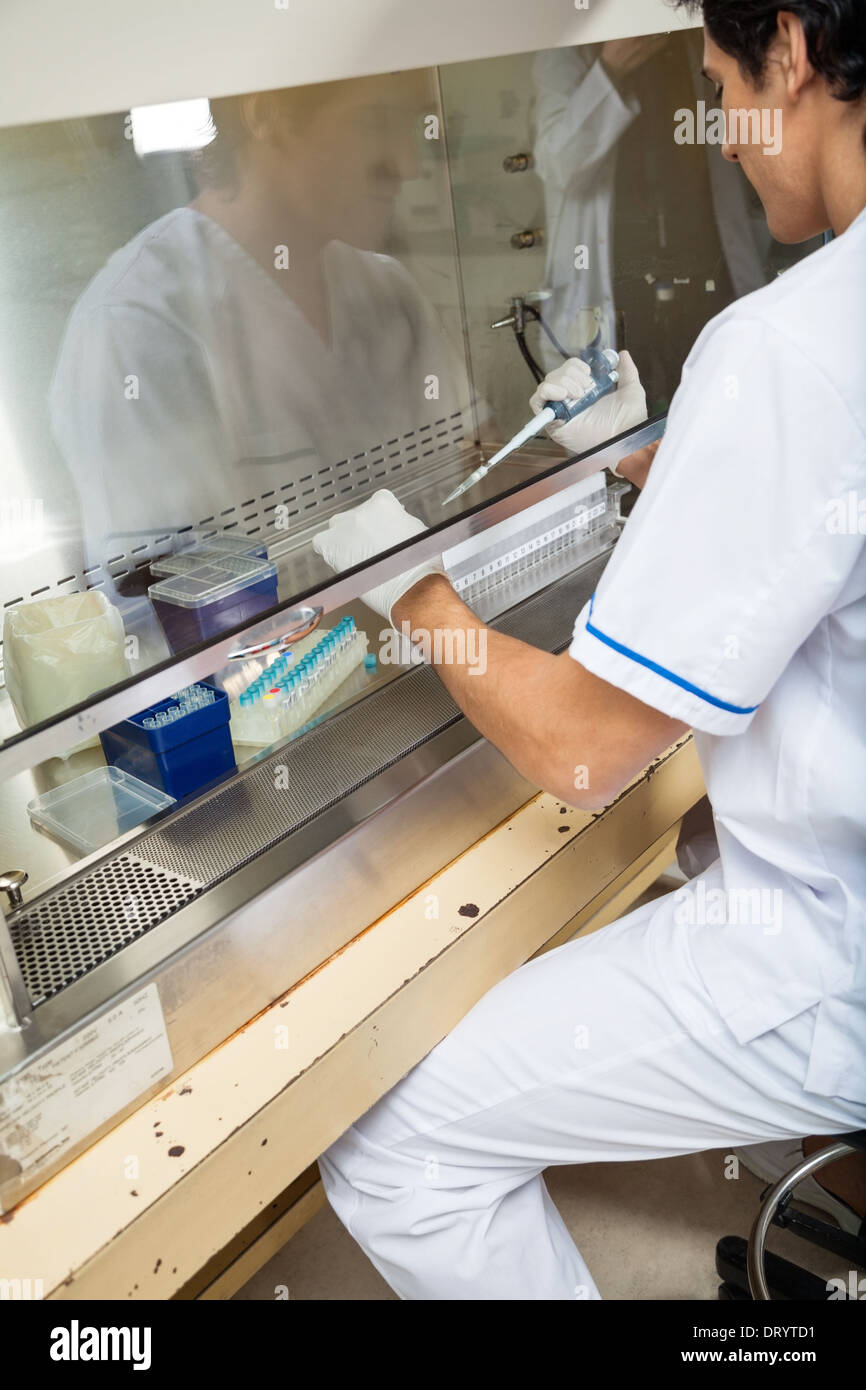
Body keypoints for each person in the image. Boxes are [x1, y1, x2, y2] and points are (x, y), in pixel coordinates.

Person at [311, 0, 866, 1298]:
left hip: (825, 960)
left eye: (721, 81)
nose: (723, 137)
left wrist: (415, 593)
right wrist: (691, 475)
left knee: (392, 1147)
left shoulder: (787, 345)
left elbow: (580, 751)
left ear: (786, 53)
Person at [48, 73, 478, 573]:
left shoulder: (388, 290)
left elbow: (470, 475)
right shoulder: (138, 329)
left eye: (413, 122)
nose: (406, 163)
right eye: (376, 120)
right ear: (265, 115)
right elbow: (167, 607)